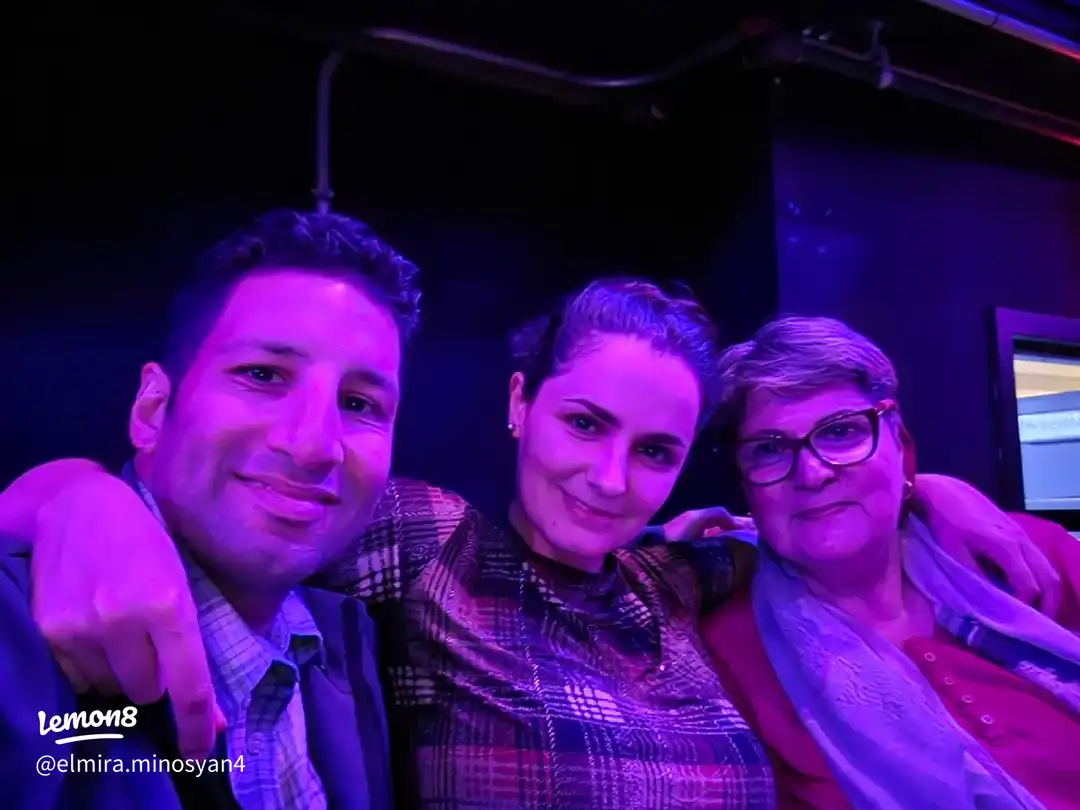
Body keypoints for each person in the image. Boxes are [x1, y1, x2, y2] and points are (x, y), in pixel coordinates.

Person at [0, 258, 1061, 807]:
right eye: (585, 424)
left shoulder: (682, 575)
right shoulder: (423, 542)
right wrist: (70, 493)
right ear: (520, 404)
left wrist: (930, 491)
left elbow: (813, 512)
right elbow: (234, 519)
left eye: (654, 450)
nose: (609, 480)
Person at [0, 209, 409, 810]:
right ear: (152, 410)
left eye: (359, 403)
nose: (315, 444)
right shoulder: (18, 618)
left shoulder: (350, 637)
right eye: (263, 374)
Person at [701, 316, 1080, 810]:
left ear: (900, 448)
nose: (812, 473)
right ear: (744, 481)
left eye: (841, 432)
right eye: (769, 450)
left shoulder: (1024, 554)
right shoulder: (725, 653)